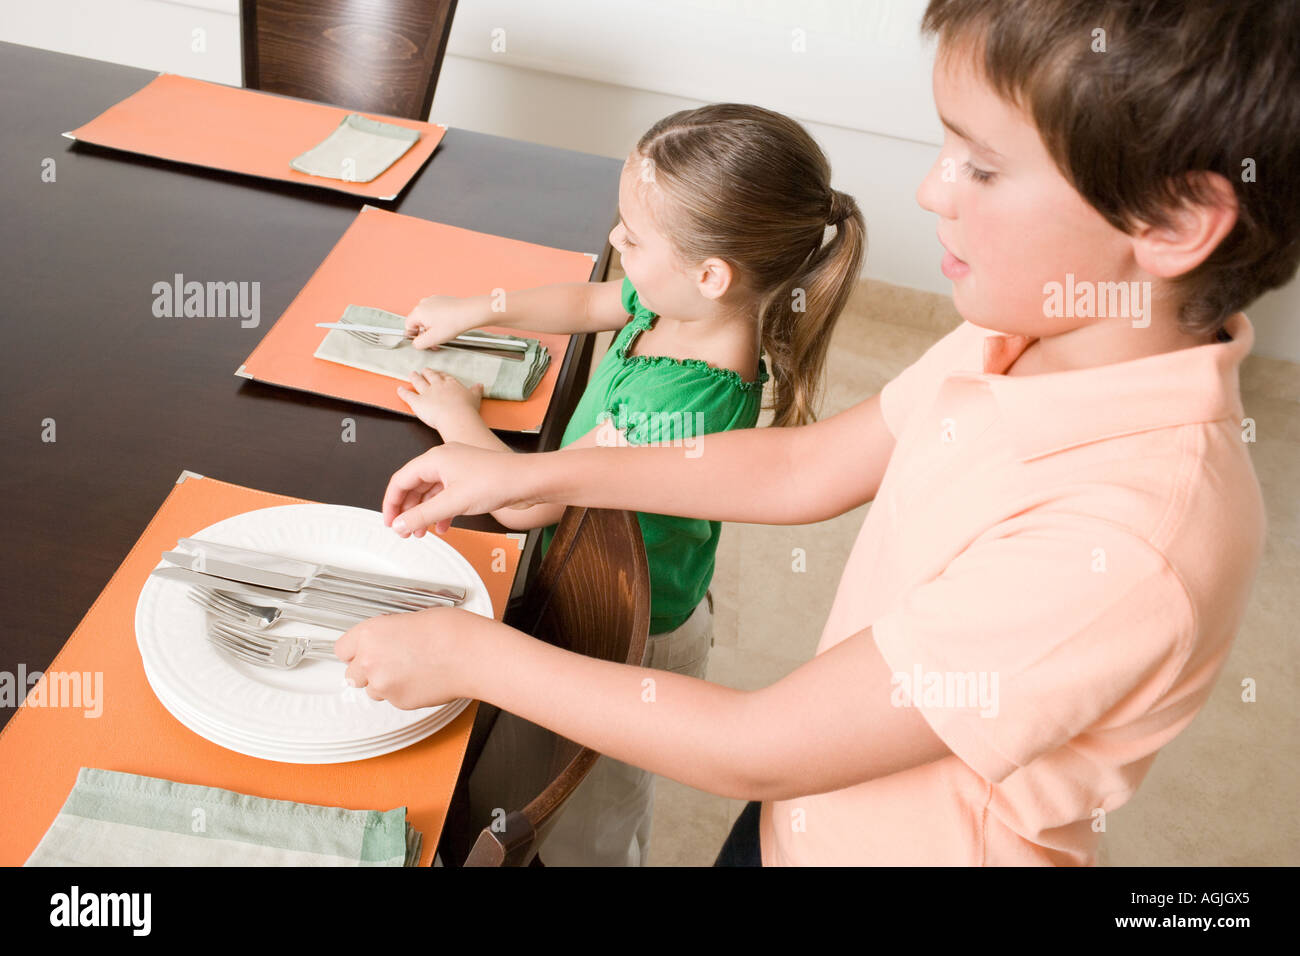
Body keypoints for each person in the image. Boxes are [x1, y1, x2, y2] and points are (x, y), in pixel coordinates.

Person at [337, 0, 1297, 865]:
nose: (931, 191)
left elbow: (758, 740)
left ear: (1173, 220)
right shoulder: (1021, 332)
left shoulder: (1129, 542)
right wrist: (535, 478)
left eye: (984, 166)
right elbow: (804, 467)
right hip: (800, 810)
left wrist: (472, 655)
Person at [388, 102, 864, 865]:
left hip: (626, 632)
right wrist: (481, 307)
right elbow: (588, 302)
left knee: (587, 822)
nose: (614, 241)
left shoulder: (678, 407)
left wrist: (456, 419)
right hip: (590, 581)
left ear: (712, 273)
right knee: (527, 772)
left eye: (632, 236)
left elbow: (528, 501)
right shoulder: (679, 305)